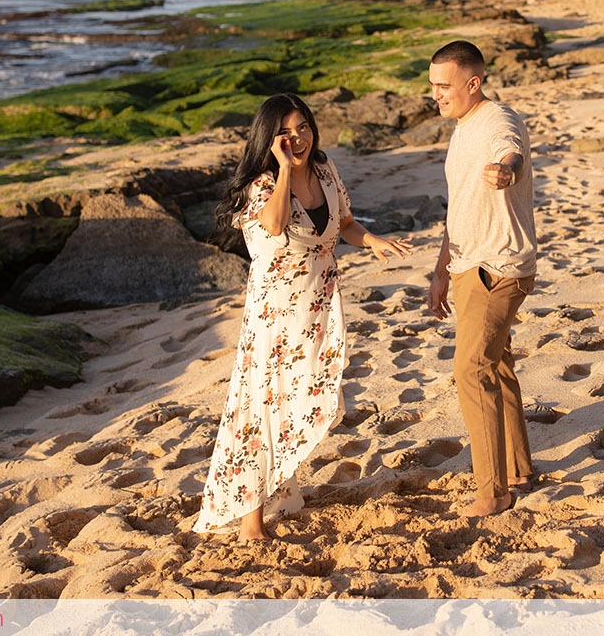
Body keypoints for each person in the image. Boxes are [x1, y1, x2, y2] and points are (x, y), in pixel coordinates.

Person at [196, 92, 411, 540]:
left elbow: (345, 222)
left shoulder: (326, 169)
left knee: (291, 402)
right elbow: (275, 224)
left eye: (303, 128)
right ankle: (250, 522)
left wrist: (373, 242)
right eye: (285, 133)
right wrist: (284, 169)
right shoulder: (260, 185)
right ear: (269, 140)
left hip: (316, 302)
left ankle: (275, 491)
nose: (297, 138)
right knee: (261, 406)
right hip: (274, 313)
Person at [426, 41, 538, 517]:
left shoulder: (498, 119)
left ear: (473, 83)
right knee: (496, 366)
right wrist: (440, 272)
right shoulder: (461, 127)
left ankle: (492, 492)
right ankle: (518, 469)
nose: (435, 95)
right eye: (431, 86)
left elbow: (509, 152)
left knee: (470, 371)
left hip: (498, 268)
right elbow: (458, 211)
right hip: (468, 266)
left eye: (443, 86)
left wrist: (507, 172)